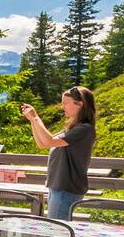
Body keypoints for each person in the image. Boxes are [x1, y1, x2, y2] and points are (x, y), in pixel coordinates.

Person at [20, 86, 97, 221]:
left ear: (80, 104)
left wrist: (36, 118)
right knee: (56, 230)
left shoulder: (84, 129)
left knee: (56, 232)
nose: (63, 107)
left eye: (66, 103)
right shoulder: (71, 129)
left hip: (66, 188)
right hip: (59, 187)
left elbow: (49, 141)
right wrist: (32, 120)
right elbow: (42, 144)